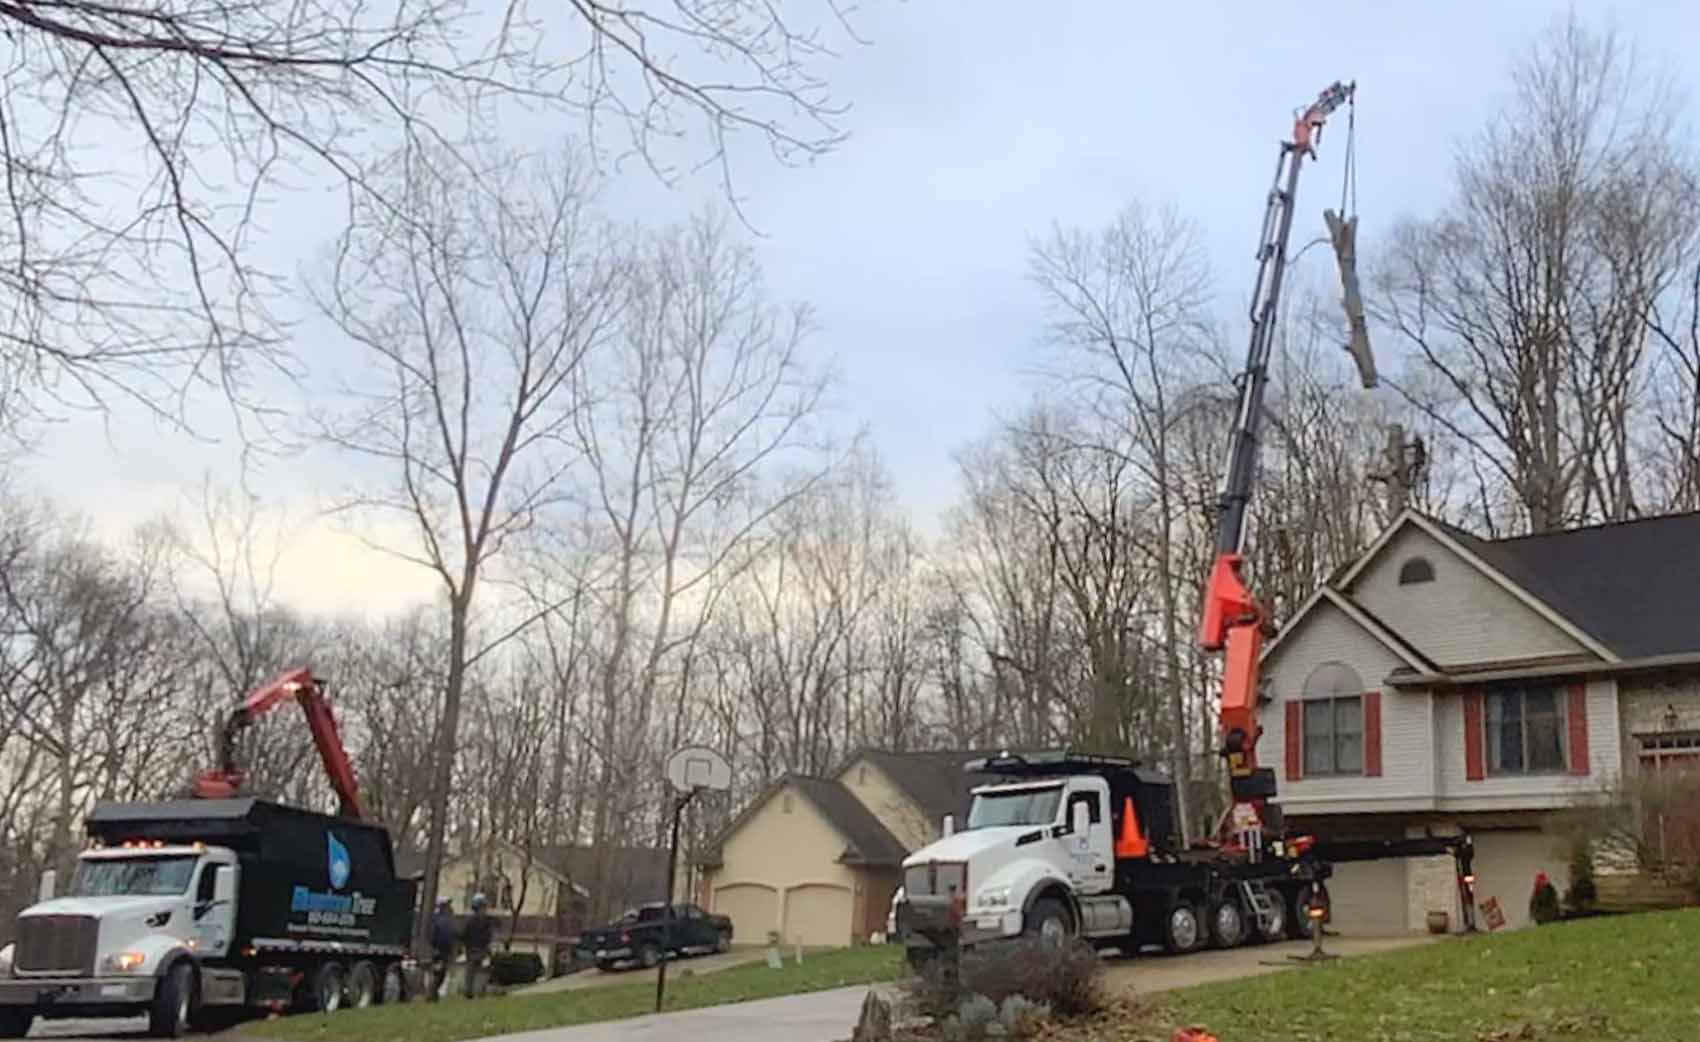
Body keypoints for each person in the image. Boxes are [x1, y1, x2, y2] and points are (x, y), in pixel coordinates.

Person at [461, 892, 495, 999]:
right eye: (483, 907)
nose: (484, 909)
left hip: (474, 950)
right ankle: (475, 992)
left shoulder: (470, 921)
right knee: (478, 972)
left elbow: (463, 935)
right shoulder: (484, 921)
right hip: (477, 950)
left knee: (474, 972)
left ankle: (473, 991)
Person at [427, 896, 459, 1002]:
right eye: (447, 905)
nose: (449, 907)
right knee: (438, 973)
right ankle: (431, 995)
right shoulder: (440, 919)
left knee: (440, 974)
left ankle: (433, 994)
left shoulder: (446, 919)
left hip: (444, 951)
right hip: (439, 951)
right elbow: (433, 935)